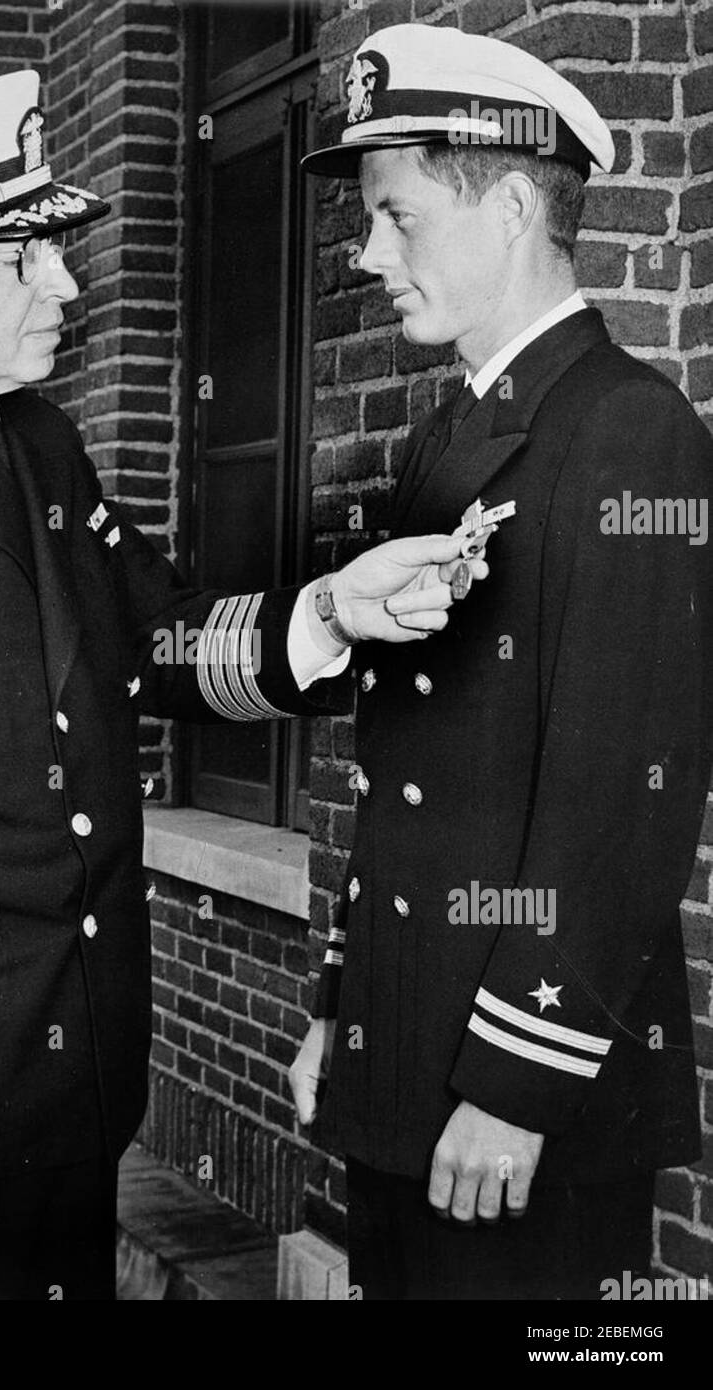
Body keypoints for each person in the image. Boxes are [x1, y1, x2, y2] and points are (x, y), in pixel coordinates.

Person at [0, 69, 479, 1301]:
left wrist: (328, 614)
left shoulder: (37, 442)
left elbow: (150, 646)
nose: (64, 282)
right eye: (21, 261)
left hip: (72, 1092)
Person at [289, 23, 712, 1300]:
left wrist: (520, 1082)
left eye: (398, 218)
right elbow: (404, 779)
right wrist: (338, 1009)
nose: (369, 256)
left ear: (516, 204)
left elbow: (624, 804)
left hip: (521, 1102)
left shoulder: (630, 433)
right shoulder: (455, 432)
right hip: (410, 1055)